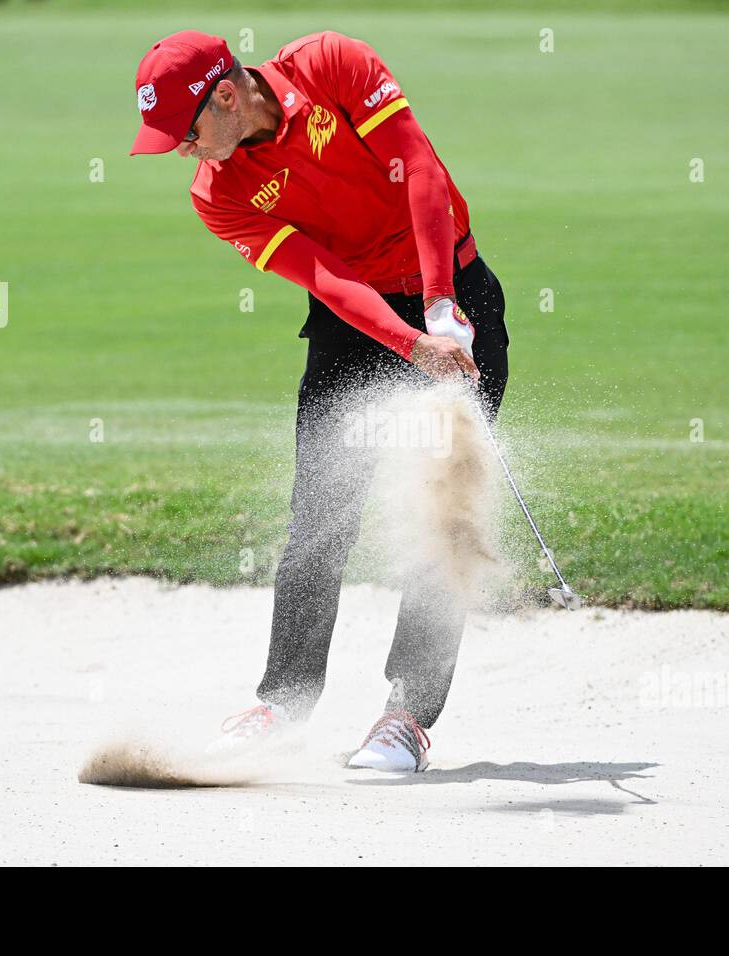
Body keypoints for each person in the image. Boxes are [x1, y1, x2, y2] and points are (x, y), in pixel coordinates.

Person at [130, 29, 509, 772]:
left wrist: (438, 308)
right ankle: (284, 702)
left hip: (454, 288)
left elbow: (422, 171)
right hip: (356, 321)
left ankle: (405, 719)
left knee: (447, 518)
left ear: (229, 97)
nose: (181, 150)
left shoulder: (332, 62)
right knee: (320, 516)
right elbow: (327, 277)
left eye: (185, 132)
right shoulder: (219, 192)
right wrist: (410, 342)